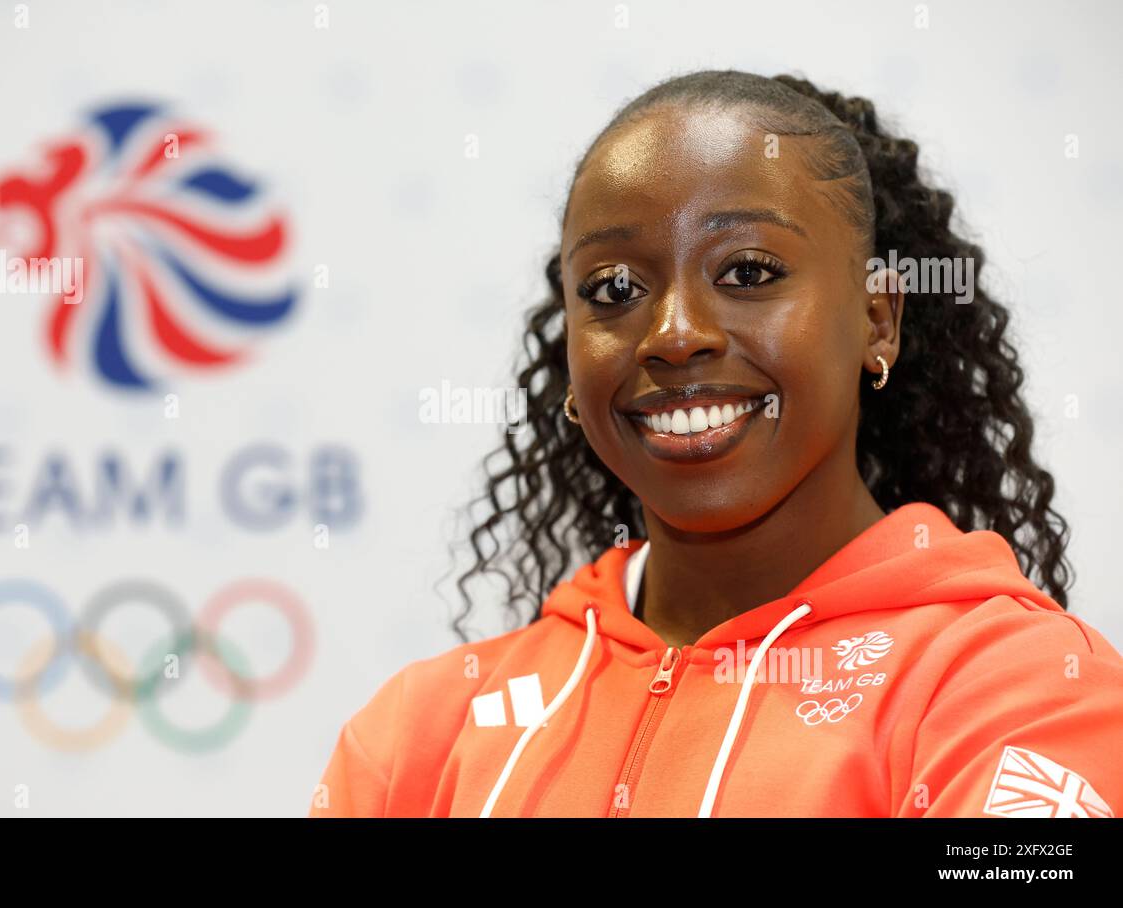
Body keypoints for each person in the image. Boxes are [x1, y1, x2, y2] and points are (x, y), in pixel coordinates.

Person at [308, 69, 1123, 817]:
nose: (674, 336)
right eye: (614, 289)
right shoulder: (419, 733)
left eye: (748, 272)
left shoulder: (1017, 691)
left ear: (878, 320)